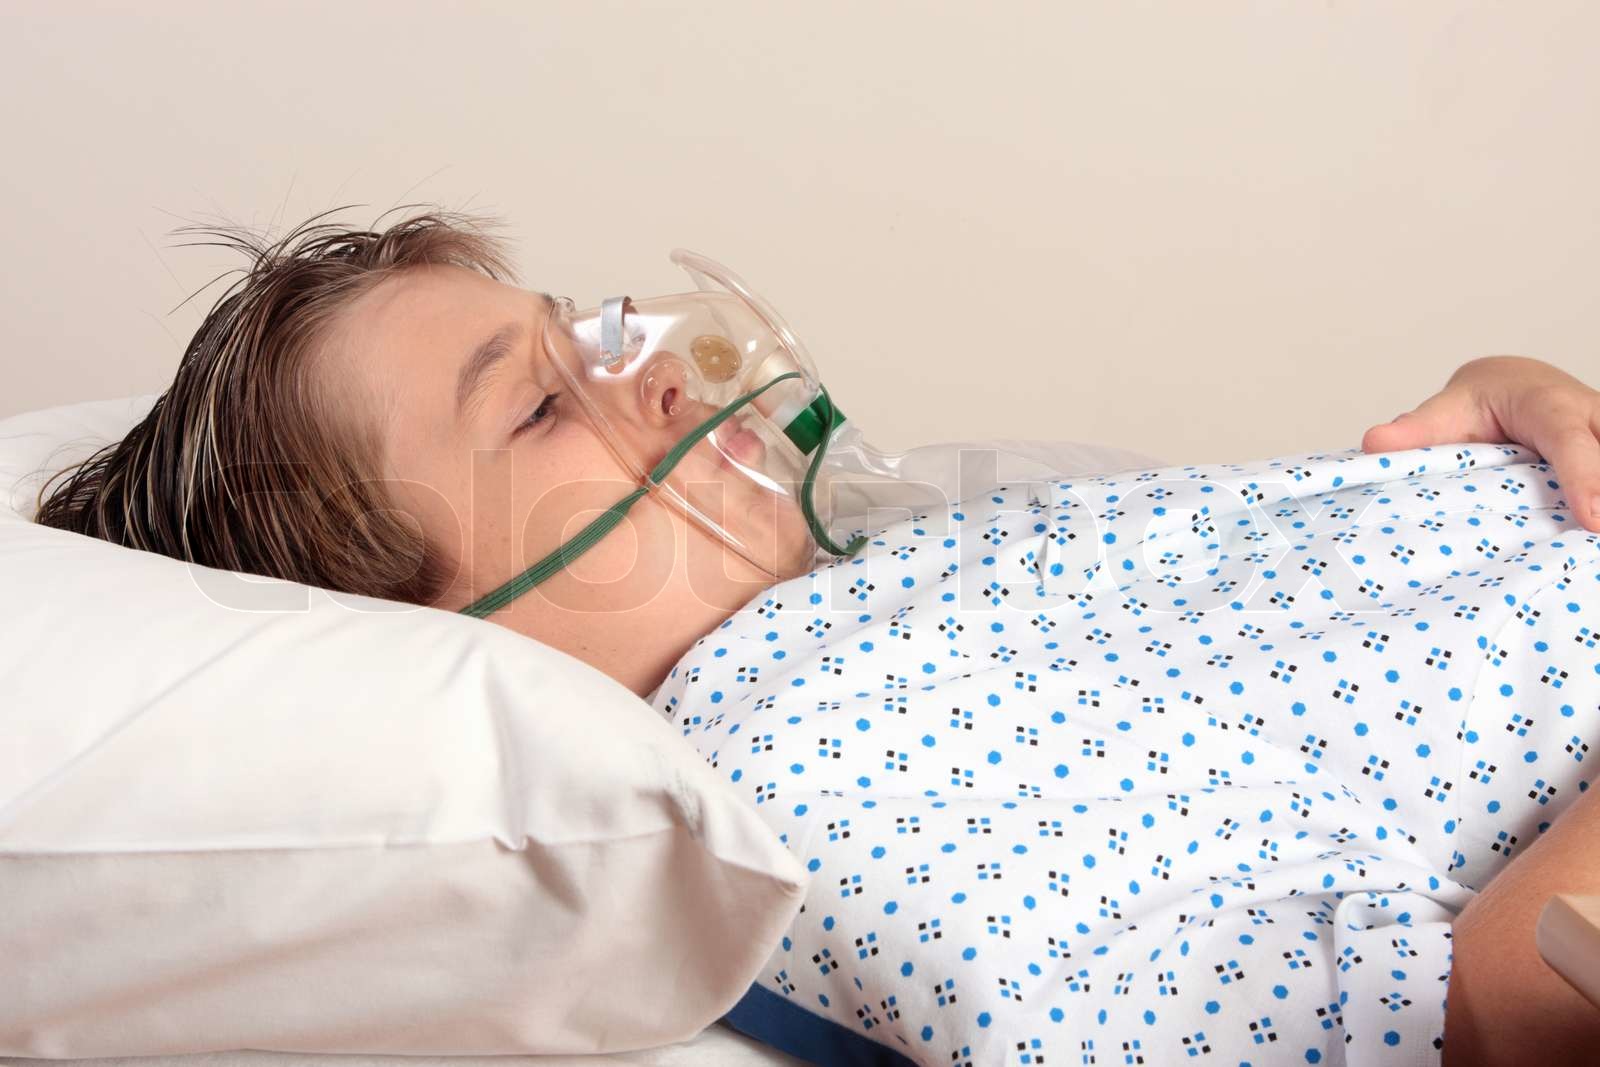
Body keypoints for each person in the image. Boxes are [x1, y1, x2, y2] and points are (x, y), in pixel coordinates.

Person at [32, 209, 1600, 1064]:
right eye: (532, 405)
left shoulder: (910, 569)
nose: (654, 366)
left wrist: (1502, 414)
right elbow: (1501, 1009)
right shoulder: (808, 789)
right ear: (430, 635)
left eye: (582, 330)